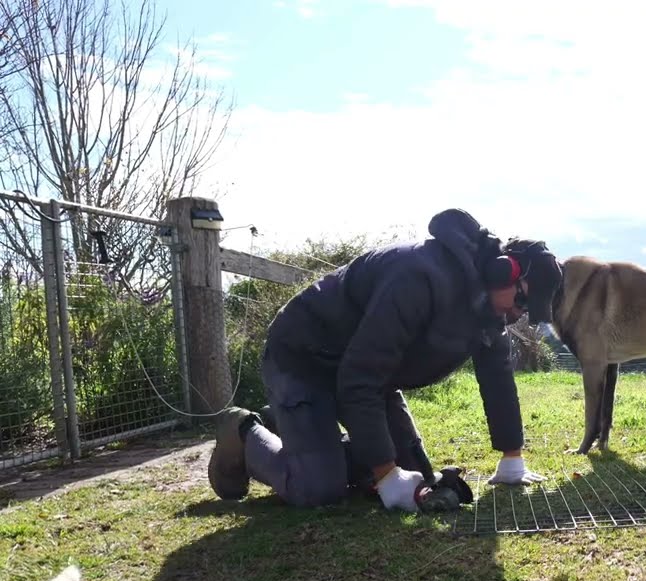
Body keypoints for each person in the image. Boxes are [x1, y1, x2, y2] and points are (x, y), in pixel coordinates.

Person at [205, 208, 563, 513]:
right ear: (504, 269)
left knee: (414, 471)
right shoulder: (418, 276)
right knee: (319, 488)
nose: (518, 314)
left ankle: (298, 426)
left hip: (370, 374)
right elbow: (359, 377)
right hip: (304, 356)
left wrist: (512, 458)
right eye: (523, 301)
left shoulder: (489, 313)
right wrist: (386, 475)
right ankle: (244, 432)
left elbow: (498, 381)